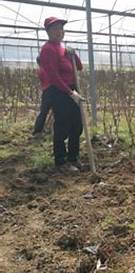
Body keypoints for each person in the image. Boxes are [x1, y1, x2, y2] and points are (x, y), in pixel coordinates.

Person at [39, 16, 84, 172]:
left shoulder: (62, 47)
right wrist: (70, 93)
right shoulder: (47, 49)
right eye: (55, 29)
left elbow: (79, 67)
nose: (59, 32)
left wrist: (74, 54)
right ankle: (61, 161)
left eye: (61, 29)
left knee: (77, 125)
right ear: (48, 32)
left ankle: (73, 157)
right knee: (62, 126)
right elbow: (53, 76)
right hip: (59, 92)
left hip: (72, 89)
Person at [32, 56, 52, 138]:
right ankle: (38, 130)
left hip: (46, 92)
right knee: (45, 112)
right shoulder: (44, 70)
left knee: (43, 112)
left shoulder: (41, 70)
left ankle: (38, 130)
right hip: (49, 91)